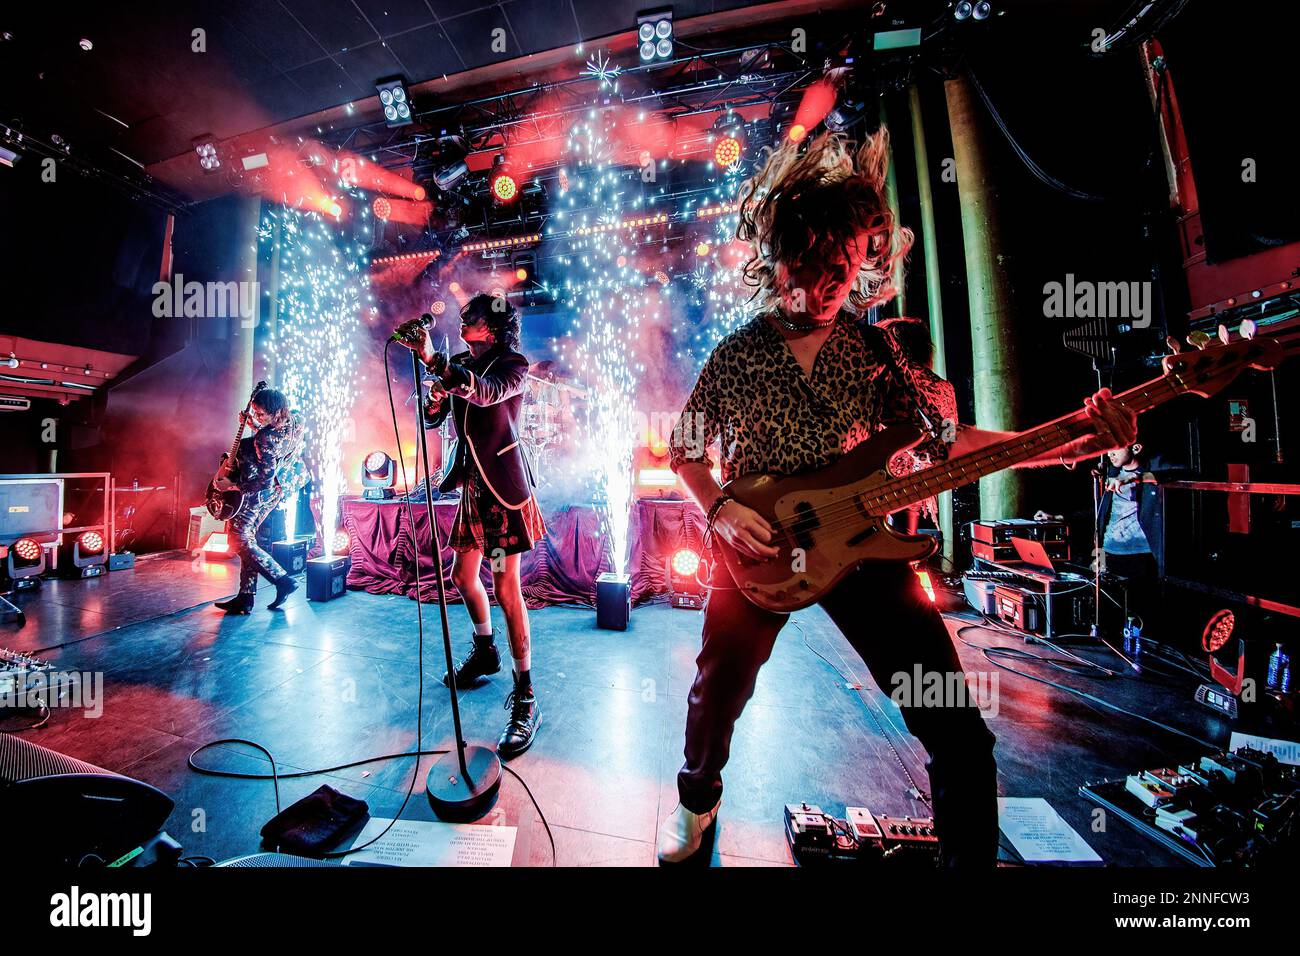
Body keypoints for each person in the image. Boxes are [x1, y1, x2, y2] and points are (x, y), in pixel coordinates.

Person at [658, 128, 1138, 866]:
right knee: (714, 700)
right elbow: (686, 448)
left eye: (839, 270)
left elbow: (955, 439)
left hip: (863, 550)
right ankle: (698, 801)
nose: (819, 287)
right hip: (755, 549)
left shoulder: (877, 351)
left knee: (960, 733)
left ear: (862, 266)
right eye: (806, 264)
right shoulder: (736, 353)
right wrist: (719, 508)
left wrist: (1077, 437)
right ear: (776, 257)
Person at [394, 294, 546, 759]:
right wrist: (434, 396)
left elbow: (483, 392)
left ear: (494, 328)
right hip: (473, 491)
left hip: (502, 493)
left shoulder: (513, 364)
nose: (463, 321)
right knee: (462, 578)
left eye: (472, 318)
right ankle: (486, 650)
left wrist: (434, 362)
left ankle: (525, 696)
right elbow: (438, 415)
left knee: (505, 588)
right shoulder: (458, 360)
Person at [213, 387, 306, 615]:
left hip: (261, 490)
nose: (257, 417)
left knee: (238, 539)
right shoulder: (297, 418)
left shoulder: (264, 439)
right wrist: (253, 425)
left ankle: (282, 580)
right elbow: (272, 437)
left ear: (275, 412)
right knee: (247, 538)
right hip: (284, 484)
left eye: (261, 414)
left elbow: (263, 479)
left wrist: (233, 486)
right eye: (256, 413)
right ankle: (246, 597)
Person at [876, 316, 957, 535]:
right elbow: (951, 439)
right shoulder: (945, 388)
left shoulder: (886, 382)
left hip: (875, 484)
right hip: (918, 488)